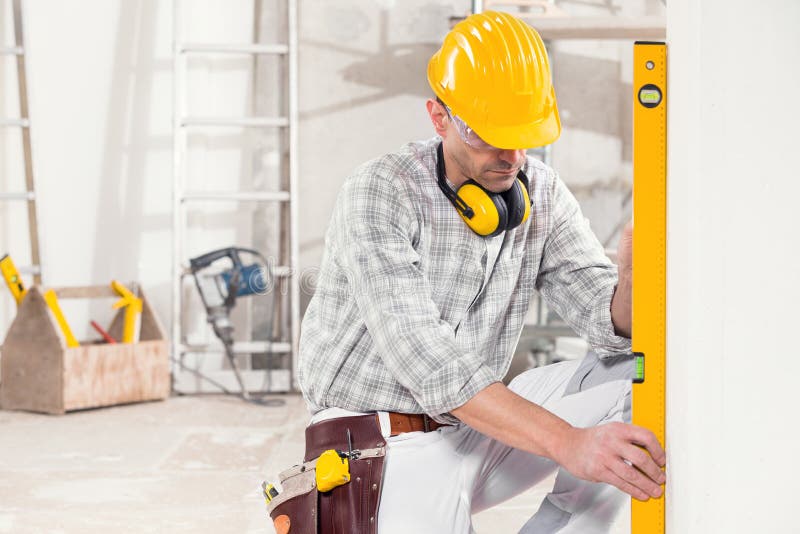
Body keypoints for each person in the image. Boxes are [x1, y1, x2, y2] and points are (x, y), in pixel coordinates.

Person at [294, 10, 665, 534]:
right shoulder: (380, 191)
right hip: (381, 449)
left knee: (640, 379)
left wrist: (630, 281)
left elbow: (608, 327)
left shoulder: (540, 190)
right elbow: (429, 364)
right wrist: (569, 442)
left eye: (524, 135)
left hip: (476, 429)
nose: (511, 156)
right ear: (439, 117)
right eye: (489, 134)